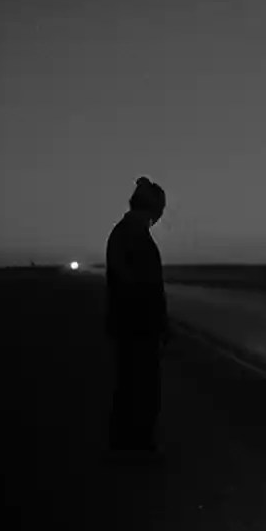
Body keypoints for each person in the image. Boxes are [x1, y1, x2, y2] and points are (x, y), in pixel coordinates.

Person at [106, 176, 171, 453]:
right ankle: (135, 447)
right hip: (136, 326)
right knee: (139, 389)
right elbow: (137, 284)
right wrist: (155, 320)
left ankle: (131, 444)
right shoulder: (130, 235)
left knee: (133, 387)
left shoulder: (127, 233)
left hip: (134, 324)